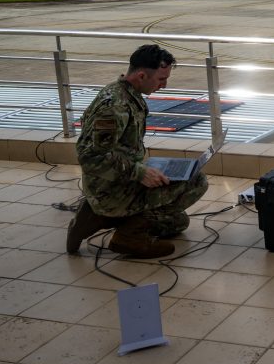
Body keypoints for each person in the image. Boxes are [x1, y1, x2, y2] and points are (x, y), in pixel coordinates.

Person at [66, 44, 208, 258]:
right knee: (197, 181)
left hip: (121, 180)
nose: (164, 86)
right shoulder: (114, 106)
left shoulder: (125, 93)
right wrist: (139, 173)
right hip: (112, 188)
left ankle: (97, 218)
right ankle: (127, 235)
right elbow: (90, 156)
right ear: (141, 76)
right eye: (161, 80)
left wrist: (145, 169)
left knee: (177, 222)